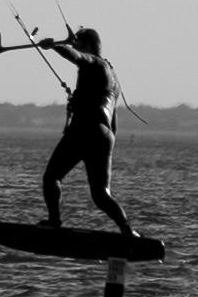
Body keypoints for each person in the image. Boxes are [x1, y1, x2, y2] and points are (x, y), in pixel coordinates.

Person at [15, 21, 123, 235]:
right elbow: (113, 120)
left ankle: (54, 222)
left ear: (90, 46)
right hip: (104, 135)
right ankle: (128, 231)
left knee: (51, 177)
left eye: (79, 44)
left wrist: (55, 46)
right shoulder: (113, 77)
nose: (76, 48)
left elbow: (77, 57)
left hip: (85, 130)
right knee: (101, 194)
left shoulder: (93, 62)